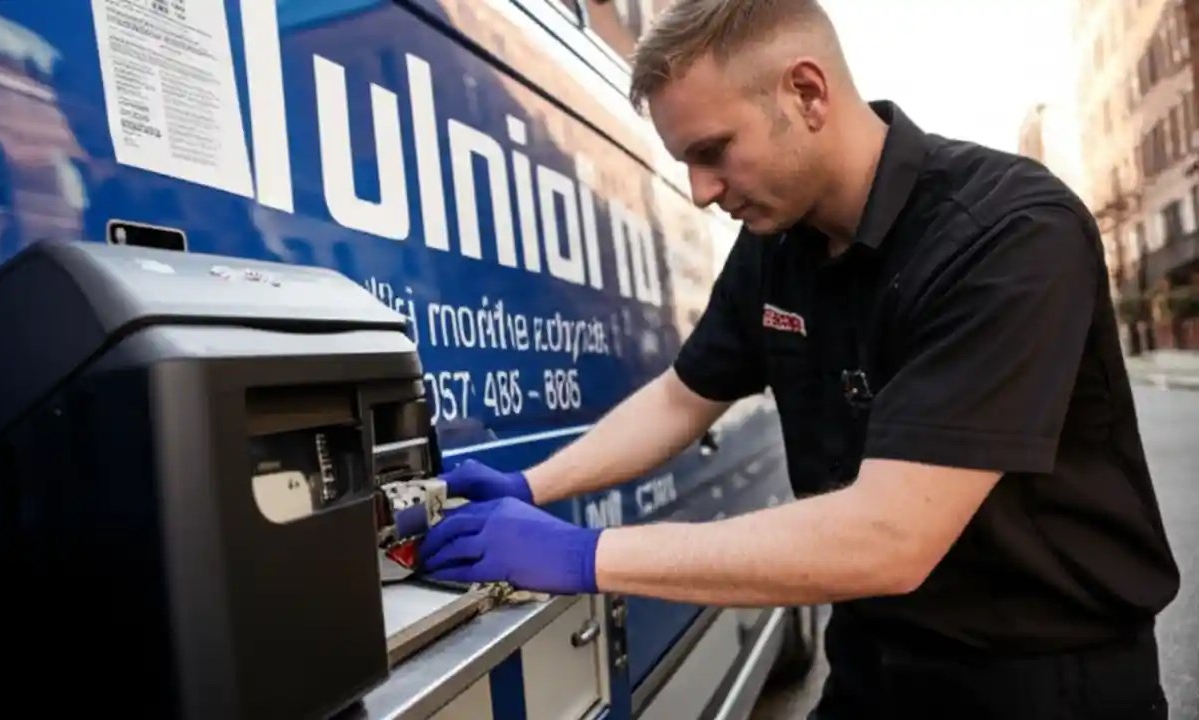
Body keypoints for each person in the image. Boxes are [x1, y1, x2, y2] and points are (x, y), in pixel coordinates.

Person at [416, 0, 1181, 717]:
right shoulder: (774, 248)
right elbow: (683, 398)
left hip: (1039, 680)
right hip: (873, 660)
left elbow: (889, 538)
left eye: (713, 152)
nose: (701, 191)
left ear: (807, 93)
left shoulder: (1007, 234)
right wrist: (530, 484)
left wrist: (587, 555)